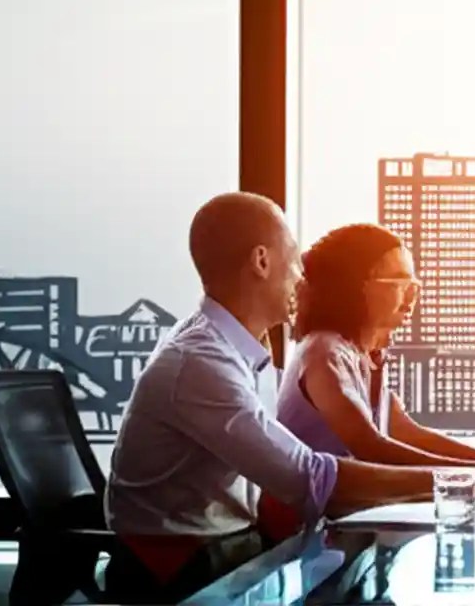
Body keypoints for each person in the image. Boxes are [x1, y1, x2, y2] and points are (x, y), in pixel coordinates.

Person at [105, 193, 440, 601]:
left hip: (232, 548)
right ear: (261, 262)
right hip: (186, 570)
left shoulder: (241, 353)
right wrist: (460, 484)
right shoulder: (199, 362)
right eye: (295, 259)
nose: (302, 276)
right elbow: (308, 477)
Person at [275, 223, 475, 514]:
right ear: (356, 285)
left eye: (414, 285)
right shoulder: (324, 352)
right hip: (306, 536)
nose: (412, 296)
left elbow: (409, 433)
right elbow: (371, 447)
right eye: (400, 283)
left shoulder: (362, 356)